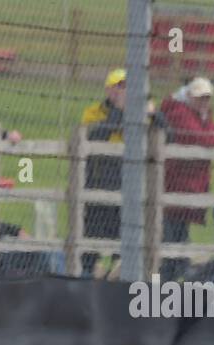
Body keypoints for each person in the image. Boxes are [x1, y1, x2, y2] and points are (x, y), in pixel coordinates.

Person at [158, 77, 214, 282]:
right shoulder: (179, 113)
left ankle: (171, 292)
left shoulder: (200, 116)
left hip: (186, 190)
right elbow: (197, 137)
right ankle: (164, 293)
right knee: (170, 249)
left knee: (177, 246)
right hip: (174, 189)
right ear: (189, 96)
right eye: (200, 98)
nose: (204, 102)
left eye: (207, 98)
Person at [79, 68, 130, 277]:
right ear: (108, 89)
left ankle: (117, 278)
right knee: (91, 242)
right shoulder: (93, 112)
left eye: (126, 87)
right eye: (118, 86)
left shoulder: (140, 113)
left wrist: (153, 113)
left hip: (126, 180)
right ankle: (86, 277)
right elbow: (96, 136)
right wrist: (118, 110)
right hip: (98, 179)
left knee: (123, 239)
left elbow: (165, 133)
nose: (123, 91)